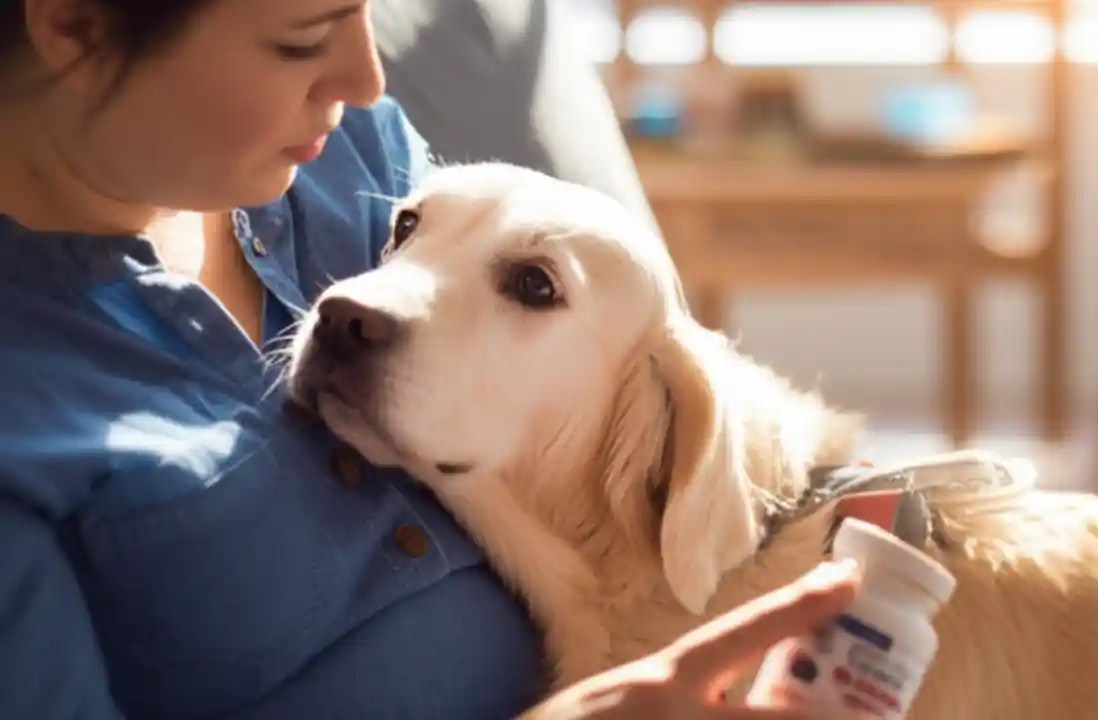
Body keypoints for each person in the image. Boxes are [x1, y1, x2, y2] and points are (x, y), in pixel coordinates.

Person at [0, 1, 860, 718]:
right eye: (302, 38)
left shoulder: (341, 146)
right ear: (75, 25)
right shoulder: (25, 418)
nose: (367, 79)